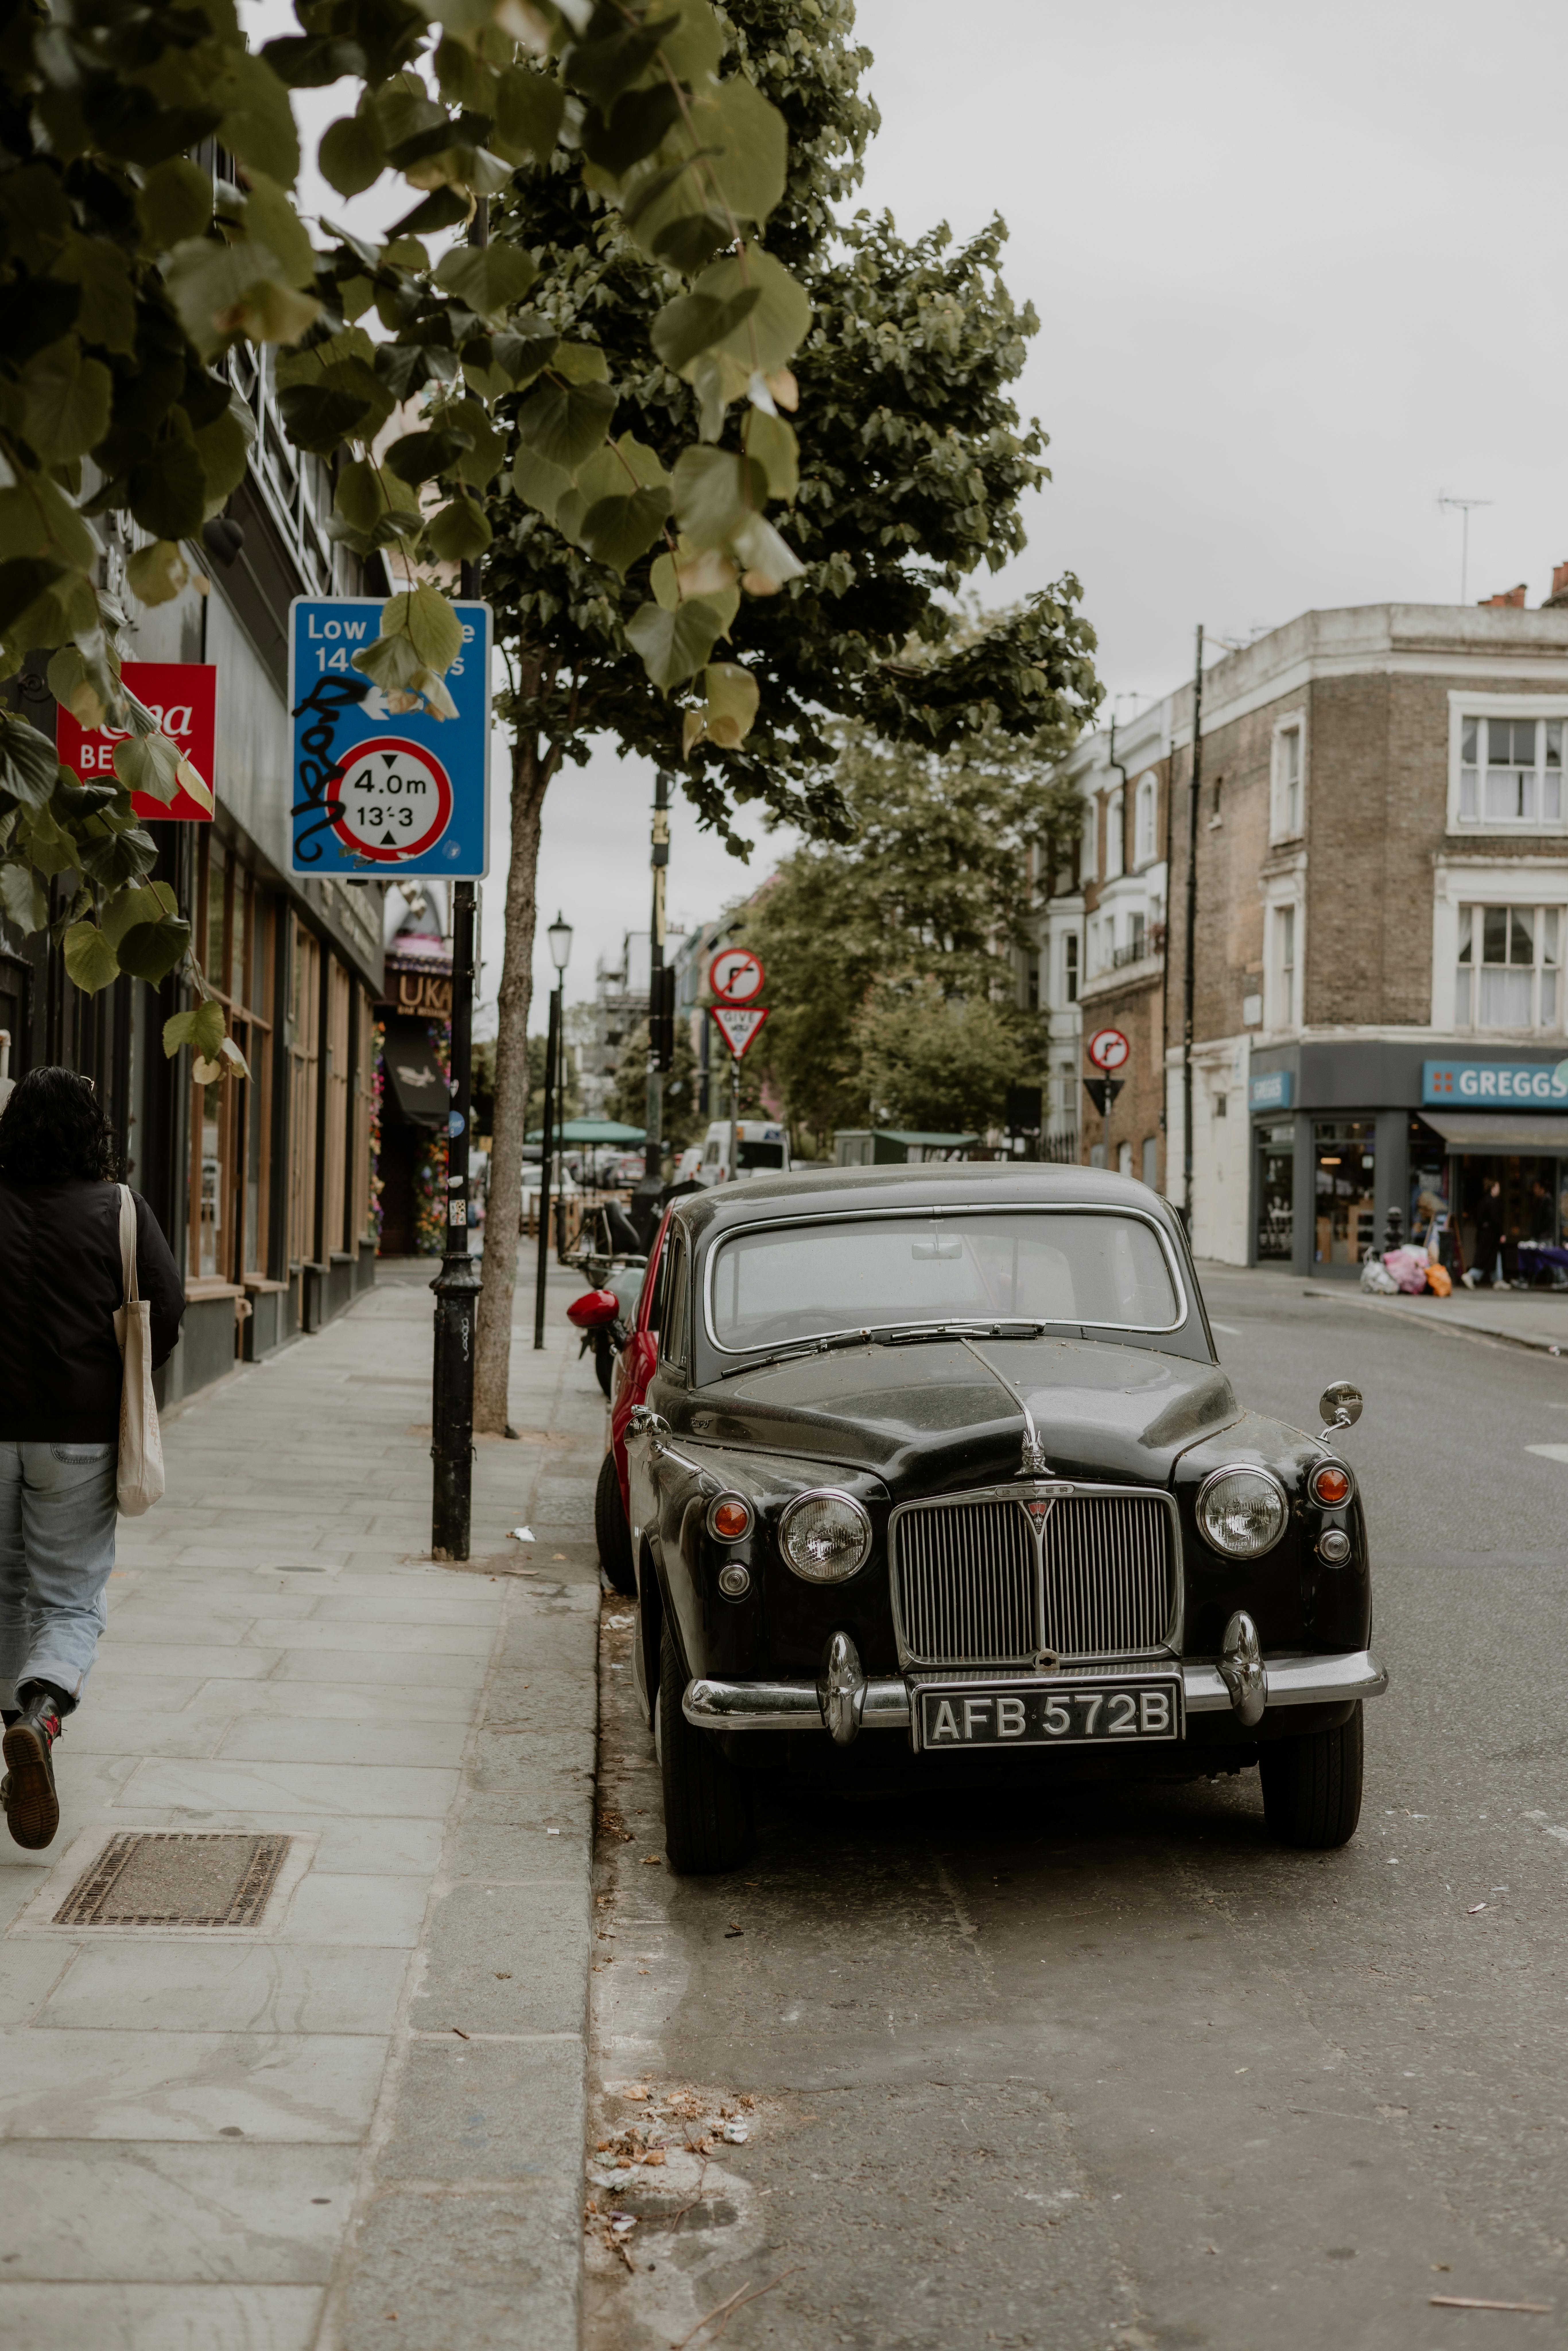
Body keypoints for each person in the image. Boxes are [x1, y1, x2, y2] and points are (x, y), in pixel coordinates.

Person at [0, 1068, 183, 1849]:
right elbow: (167, 1310)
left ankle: (19, 1737)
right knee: (70, 1599)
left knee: (8, 1592)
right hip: (79, 1432)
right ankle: (39, 1719)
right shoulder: (119, 1209)